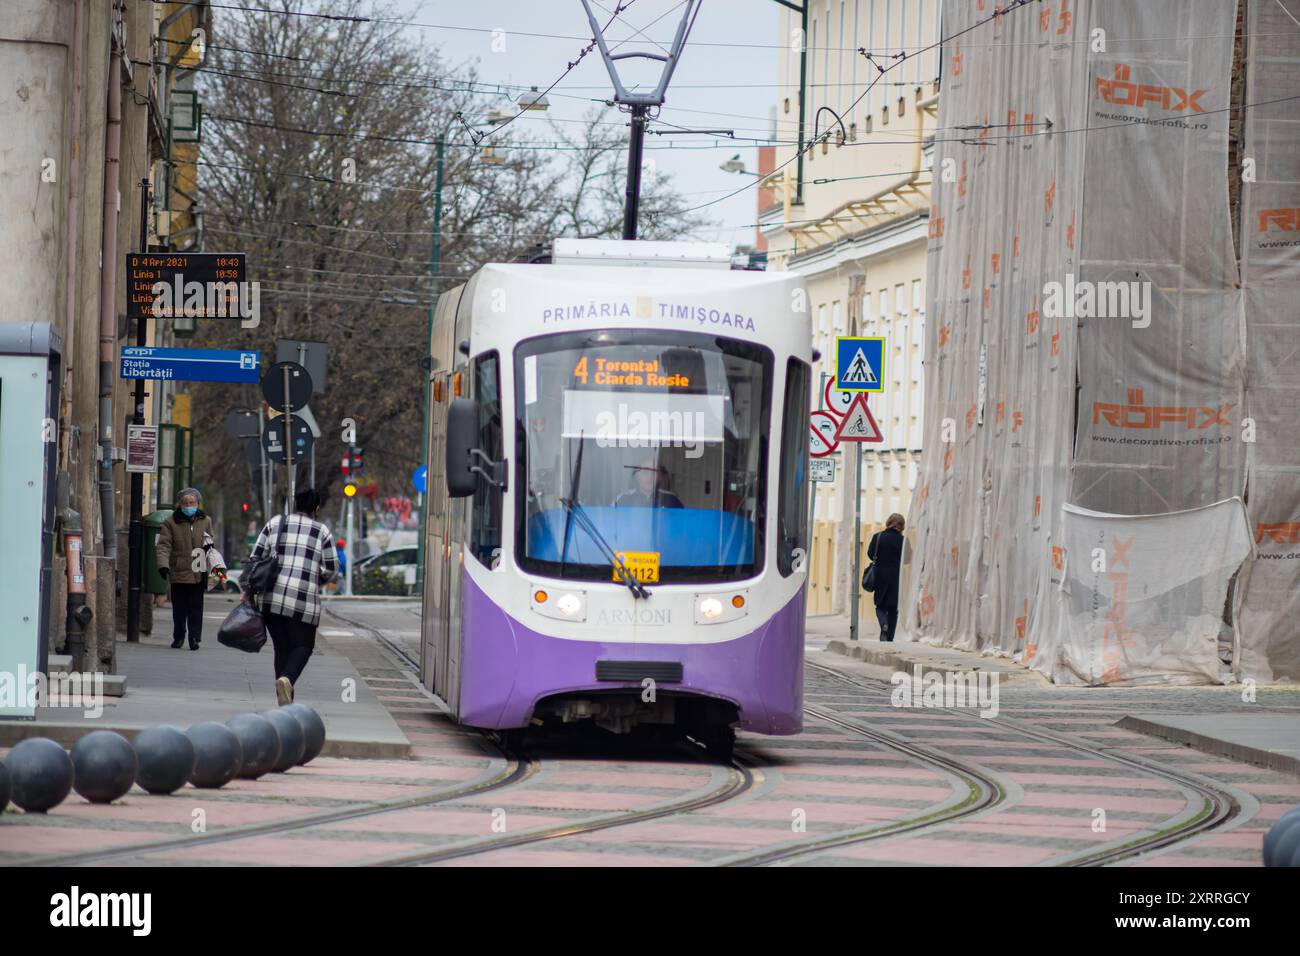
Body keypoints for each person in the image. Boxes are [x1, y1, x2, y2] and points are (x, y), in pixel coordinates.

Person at [244, 488, 338, 705]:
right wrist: (316, 581)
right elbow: (332, 567)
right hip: (303, 602)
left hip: (271, 599)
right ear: (316, 508)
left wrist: (249, 589)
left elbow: (255, 557)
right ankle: (287, 680)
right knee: (303, 646)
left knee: (281, 647)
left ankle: (284, 697)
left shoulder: (275, 522)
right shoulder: (321, 531)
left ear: (295, 505)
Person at [154, 488, 216, 650]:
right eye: (186, 503)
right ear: (180, 505)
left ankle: (194, 637)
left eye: (192, 503)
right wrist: (163, 565)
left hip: (198, 570)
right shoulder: (171, 522)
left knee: (196, 608)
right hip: (179, 571)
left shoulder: (206, 521)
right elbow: (163, 546)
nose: (189, 506)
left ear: (197, 504)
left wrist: (214, 567)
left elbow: (210, 544)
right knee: (180, 609)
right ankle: (179, 636)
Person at [866, 513, 906, 642]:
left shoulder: (878, 537)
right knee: (893, 608)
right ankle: (890, 637)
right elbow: (909, 557)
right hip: (896, 577)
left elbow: (870, 553)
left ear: (889, 522)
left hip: (880, 576)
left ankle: (884, 624)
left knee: (880, 605)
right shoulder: (903, 541)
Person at [614, 455, 684, 508]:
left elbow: (682, 524)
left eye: (654, 472)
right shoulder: (623, 498)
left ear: (660, 476)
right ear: (637, 475)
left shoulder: (672, 499)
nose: (650, 477)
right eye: (645, 472)